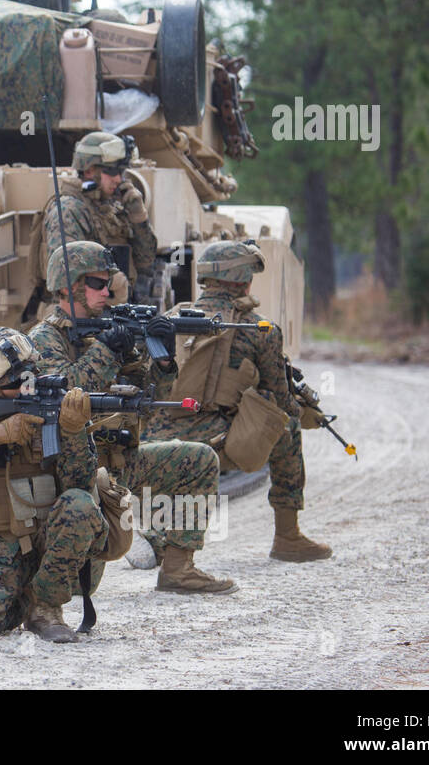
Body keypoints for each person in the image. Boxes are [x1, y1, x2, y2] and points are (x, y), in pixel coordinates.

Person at [30, 241, 237, 594]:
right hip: (76, 470)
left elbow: (148, 397)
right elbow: (70, 393)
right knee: (83, 588)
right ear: (68, 286)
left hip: (120, 459)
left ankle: (178, 568)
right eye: (97, 283)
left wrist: (162, 360)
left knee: (200, 460)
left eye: (107, 283)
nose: (107, 291)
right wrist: (107, 349)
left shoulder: (106, 329)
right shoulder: (44, 339)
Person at [142, 240, 332, 562]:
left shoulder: (167, 319)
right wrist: (303, 413)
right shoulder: (261, 329)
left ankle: (158, 538)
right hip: (212, 442)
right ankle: (288, 537)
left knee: (188, 456)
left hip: (152, 440)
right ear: (244, 281)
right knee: (287, 431)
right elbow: (280, 403)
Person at [0, 327, 123, 642]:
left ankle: (45, 608)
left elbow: (82, 485)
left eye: (30, 378)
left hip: (55, 542)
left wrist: (74, 432)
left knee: (78, 505)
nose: (26, 389)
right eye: (14, 385)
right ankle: (20, 598)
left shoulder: (60, 412)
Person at [39, 132, 157, 304]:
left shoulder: (114, 208)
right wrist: (114, 280)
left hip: (113, 309)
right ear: (89, 171)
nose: (118, 179)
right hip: (79, 314)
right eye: (111, 171)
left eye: (121, 172)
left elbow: (146, 262)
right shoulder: (68, 210)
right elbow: (66, 271)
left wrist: (138, 216)